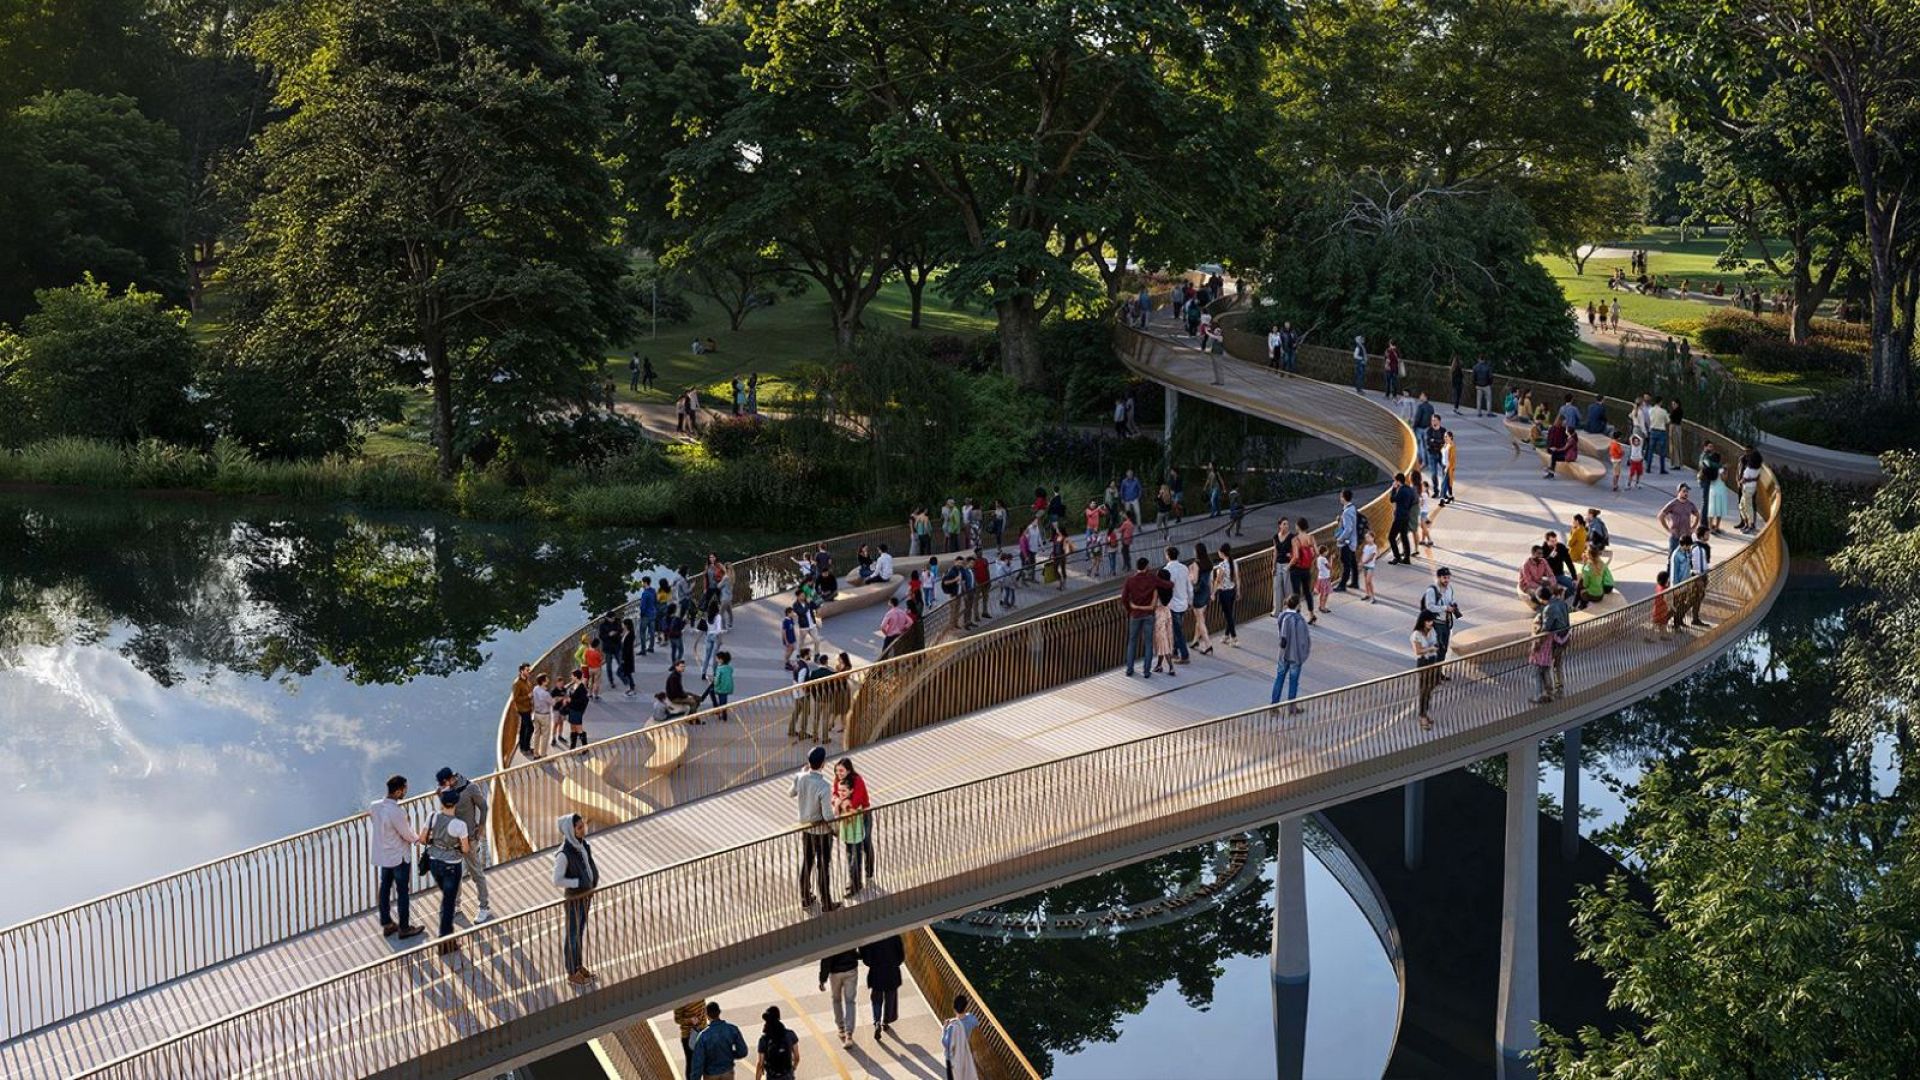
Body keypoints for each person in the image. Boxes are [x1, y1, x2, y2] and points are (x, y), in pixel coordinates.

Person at [435, 767, 493, 923]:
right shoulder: (446, 790)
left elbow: (484, 807)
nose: (442, 785)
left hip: (469, 838)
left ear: (451, 778)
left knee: (476, 873)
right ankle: (455, 905)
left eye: (444, 783)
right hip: (453, 839)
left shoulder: (470, 788)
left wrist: (480, 828)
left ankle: (484, 907)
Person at [371, 775, 425, 941]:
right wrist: (419, 839)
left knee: (385, 889)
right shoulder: (397, 812)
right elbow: (407, 834)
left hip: (384, 856)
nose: (406, 792)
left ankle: (387, 924)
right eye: (405, 789)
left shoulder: (375, 806)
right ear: (398, 791)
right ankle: (404, 927)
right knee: (402, 892)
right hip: (399, 857)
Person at [550, 813, 598, 985]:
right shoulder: (563, 854)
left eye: (582, 825)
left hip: (585, 896)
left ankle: (578, 966)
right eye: (579, 827)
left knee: (579, 933)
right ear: (570, 830)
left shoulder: (582, 845)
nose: (583, 829)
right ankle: (571, 972)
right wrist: (578, 882)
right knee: (572, 935)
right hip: (575, 899)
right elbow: (556, 880)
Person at [419, 788, 469, 953]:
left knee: (447, 898)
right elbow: (466, 849)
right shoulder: (460, 825)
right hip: (451, 865)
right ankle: (445, 943)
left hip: (434, 863)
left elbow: (422, 839)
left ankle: (447, 939)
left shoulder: (432, 816)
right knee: (448, 903)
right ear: (455, 804)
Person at [791, 746, 840, 912]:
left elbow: (791, 793)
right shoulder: (824, 786)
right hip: (822, 833)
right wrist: (836, 830)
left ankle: (805, 898)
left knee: (807, 862)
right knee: (823, 867)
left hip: (806, 831)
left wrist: (799, 774)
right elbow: (827, 815)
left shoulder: (801, 778)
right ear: (823, 764)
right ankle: (826, 903)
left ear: (808, 762)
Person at [834, 757, 871, 896]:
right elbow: (834, 795)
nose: (838, 774)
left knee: (863, 846)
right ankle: (855, 881)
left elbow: (855, 804)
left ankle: (865, 874)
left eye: (841, 771)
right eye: (837, 771)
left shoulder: (857, 781)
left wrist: (842, 803)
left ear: (848, 770)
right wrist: (838, 801)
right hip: (848, 825)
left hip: (861, 817)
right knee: (852, 853)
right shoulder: (839, 781)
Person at [859, 934, 906, 1041]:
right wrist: (893, 963)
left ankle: (877, 1021)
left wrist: (873, 964)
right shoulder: (894, 936)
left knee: (876, 999)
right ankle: (886, 1021)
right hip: (892, 972)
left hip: (876, 972)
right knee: (890, 998)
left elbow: (866, 958)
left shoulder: (870, 937)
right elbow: (901, 957)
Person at [689, 1001, 750, 1080]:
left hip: (710, 1074)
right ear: (719, 1012)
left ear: (707, 1015)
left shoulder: (703, 1036)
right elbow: (743, 1052)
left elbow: (698, 1061)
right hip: (728, 1072)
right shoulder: (732, 1029)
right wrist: (729, 1055)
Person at [1529, 586, 1569, 703]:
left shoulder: (1548, 609)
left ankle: (1547, 693)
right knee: (1558, 665)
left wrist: (1537, 644)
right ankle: (1559, 689)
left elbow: (1546, 628)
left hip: (1555, 641)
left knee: (1544, 666)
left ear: (1541, 598)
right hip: (1565, 638)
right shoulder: (1561, 602)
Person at [1121, 557, 1159, 678]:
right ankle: (1146, 671)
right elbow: (1167, 584)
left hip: (1135, 614)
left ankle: (1129, 669)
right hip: (1148, 615)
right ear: (1146, 566)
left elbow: (1124, 598)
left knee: (1132, 642)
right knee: (1148, 643)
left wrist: (1129, 609)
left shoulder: (1130, 580)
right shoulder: (1152, 579)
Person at [1272, 594, 1311, 710]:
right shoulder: (1299, 620)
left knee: (1279, 678)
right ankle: (1292, 706)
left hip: (1283, 654)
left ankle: (1274, 705)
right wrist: (1303, 654)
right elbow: (1304, 640)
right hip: (1295, 655)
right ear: (1298, 605)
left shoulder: (1282, 617)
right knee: (1293, 681)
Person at [820, 948, 861, 1047]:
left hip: (835, 972)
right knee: (850, 1001)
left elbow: (826, 959)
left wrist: (822, 979)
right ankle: (849, 1034)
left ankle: (841, 1027)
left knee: (836, 1000)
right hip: (851, 969)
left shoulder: (829, 938)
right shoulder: (848, 933)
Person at [1420, 568, 1462, 665]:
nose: (1446, 580)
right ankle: (1433, 673)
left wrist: (1453, 605)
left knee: (1444, 649)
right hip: (1436, 624)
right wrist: (1445, 608)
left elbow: (1451, 599)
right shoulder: (1432, 590)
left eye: (1448, 578)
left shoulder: (1449, 588)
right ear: (1439, 578)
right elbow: (1429, 607)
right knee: (1437, 649)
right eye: (1444, 578)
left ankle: (1439, 671)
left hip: (1446, 623)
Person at [1411, 611, 1441, 731]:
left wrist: (1435, 647)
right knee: (1424, 689)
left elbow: (1435, 642)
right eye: (1429, 621)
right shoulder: (1416, 634)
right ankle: (1422, 715)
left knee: (1432, 685)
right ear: (1423, 621)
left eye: (1432, 621)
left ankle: (1424, 712)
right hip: (1423, 662)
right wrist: (1430, 648)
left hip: (1433, 660)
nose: (1431, 623)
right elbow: (1418, 651)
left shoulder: (1432, 631)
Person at [754, 1007, 801, 1080]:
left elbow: (760, 1063)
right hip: (787, 1075)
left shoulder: (764, 1040)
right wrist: (793, 1068)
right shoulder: (790, 1034)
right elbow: (797, 1057)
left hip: (772, 1076)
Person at [944, 995, 982, 1080]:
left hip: (952, 1057)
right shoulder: (972, 1019)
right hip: (965, 1052)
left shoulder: (952, 1025)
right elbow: (976, 1029)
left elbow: (946, 1043)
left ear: (954, 1009)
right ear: (966, 1007)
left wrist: (944, 1029)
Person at [1188, 544, 1216, 655]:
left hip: (1198, 594)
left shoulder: (1196, 564)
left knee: (1200, 621)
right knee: (1200, 618)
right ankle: (1195, 641)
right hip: (1206, 592)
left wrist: (1189, 573)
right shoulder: (1209, 563)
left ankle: (1208, 644)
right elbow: (1210, 580)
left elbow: (1194, 581)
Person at [1657, 484, 1699, 552]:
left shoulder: (1690, 504)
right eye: (1684, 491)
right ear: (1678, 492)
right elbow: (1660, 516)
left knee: (1686, 556)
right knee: (1673, 556)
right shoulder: (1673, 504)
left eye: (1687, 492)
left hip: (1686, 536)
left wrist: (1693, 527)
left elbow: (1697, 515)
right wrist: (1668, 529)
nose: (1686, 493)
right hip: (1675, 536)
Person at [1152, 569, 1178, 675]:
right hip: (1167, 613)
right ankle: (1159, 665)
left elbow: (1153, 604)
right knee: (1166, 638)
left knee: (1162, 641)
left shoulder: (1156, 590)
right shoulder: (1169, 588)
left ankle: (1171, 667)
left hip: (1159, 615)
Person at [1213, 543, 1240, 645]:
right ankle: (1226, 636)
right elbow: (1237, 578)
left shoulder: (1222, 565)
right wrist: (1238, 591)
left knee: (1228, 616)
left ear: (1222, 553)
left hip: (1224, 593)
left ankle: (1234, 637)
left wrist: (1213, 593)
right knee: (1230, 614)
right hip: (1232, 591)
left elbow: (1218, 580)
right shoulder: (1234, 563)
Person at [1388, 473, 1418, 564]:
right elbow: (1413, 501)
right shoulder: (1410, 489)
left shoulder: (1401, 490)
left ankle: (1397, 557)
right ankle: (1407, 558)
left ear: (1397, 481)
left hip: (1399, 517)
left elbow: (1392, 499)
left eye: (1395, 481)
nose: (1394, 482)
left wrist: (1393, 488)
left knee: (1391, 537)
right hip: (1406, 516)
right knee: (1404, 536)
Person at [1359, 522, 1379, 603]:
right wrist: (1361, 562)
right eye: (1366, 538)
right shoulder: (1366, 546)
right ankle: (1367, 594)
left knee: (1368, 581)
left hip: (1370, 566)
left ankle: (1373, 597)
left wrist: (1364, 562)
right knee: (1365, 580)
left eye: (1368, 537)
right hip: (1365, 566)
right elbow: (1363, 554)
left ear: (1372, 538)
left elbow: (1371, 557)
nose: (1367, 539)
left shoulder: (1374, 547)